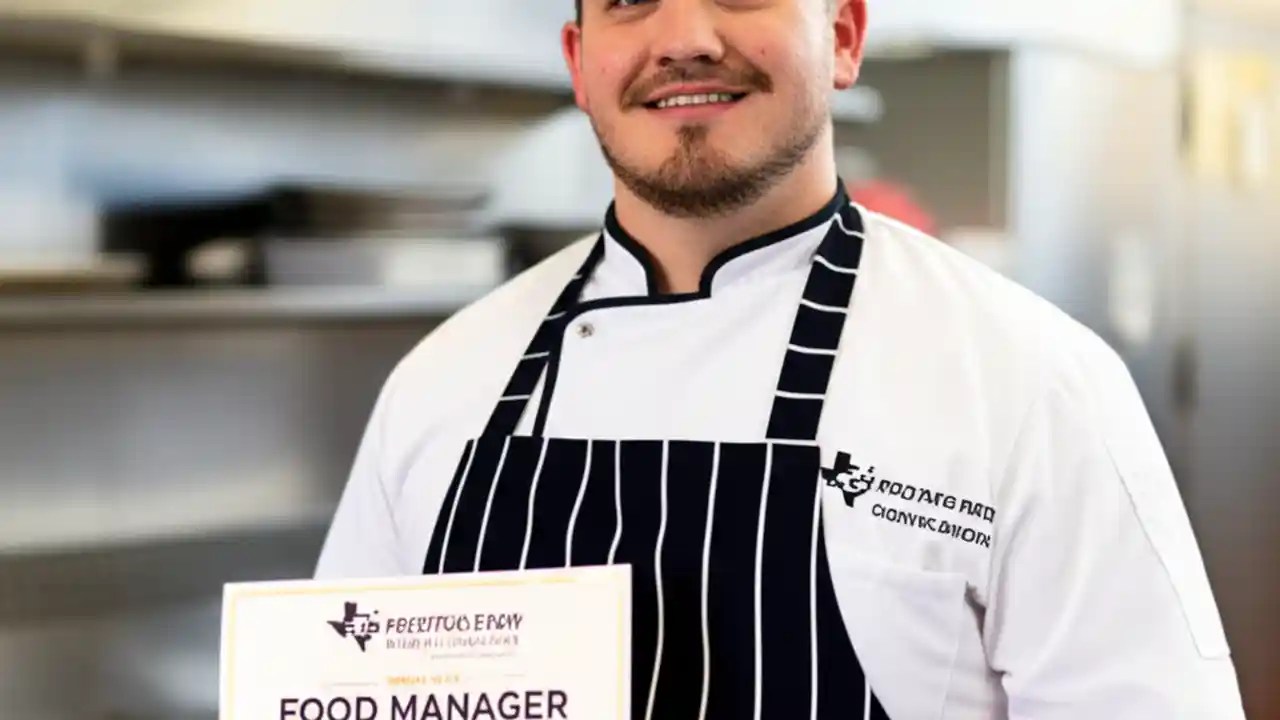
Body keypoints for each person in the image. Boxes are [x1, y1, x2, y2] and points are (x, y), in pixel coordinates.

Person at [316, 0, 1246, 717]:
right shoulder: (445, 382)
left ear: (843, 35)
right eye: (631, 0)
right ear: (579, 65)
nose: (683, 36)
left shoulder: (1033, 382)